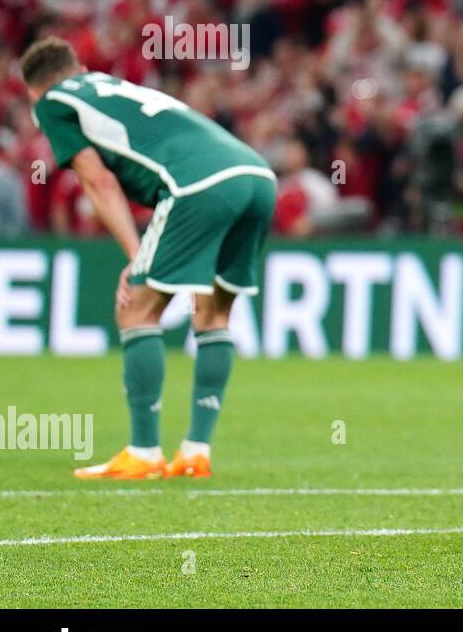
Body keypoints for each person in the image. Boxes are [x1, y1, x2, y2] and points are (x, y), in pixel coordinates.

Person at [21, 37, 276, 478]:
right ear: (78, 65)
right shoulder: (114, 85)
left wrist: (135, 257)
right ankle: (195, 452)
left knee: (136, 308)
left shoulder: (53, 103)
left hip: (199, 184)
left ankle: (143, 451)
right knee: (212, 315)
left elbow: (97, 180)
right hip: (256, 175)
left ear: (33, 91)